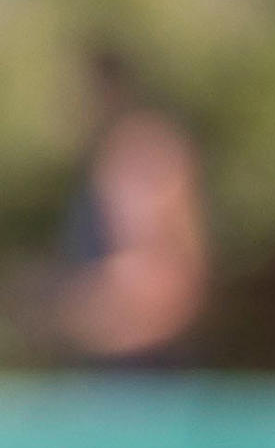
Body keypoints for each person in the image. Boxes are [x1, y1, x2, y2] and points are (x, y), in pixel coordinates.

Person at [35, 48, 208, 368]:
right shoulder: (107, 156)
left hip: (140, 365)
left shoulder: (141, 153)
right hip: (110, 360)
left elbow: (166, 277)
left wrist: (77, 313)